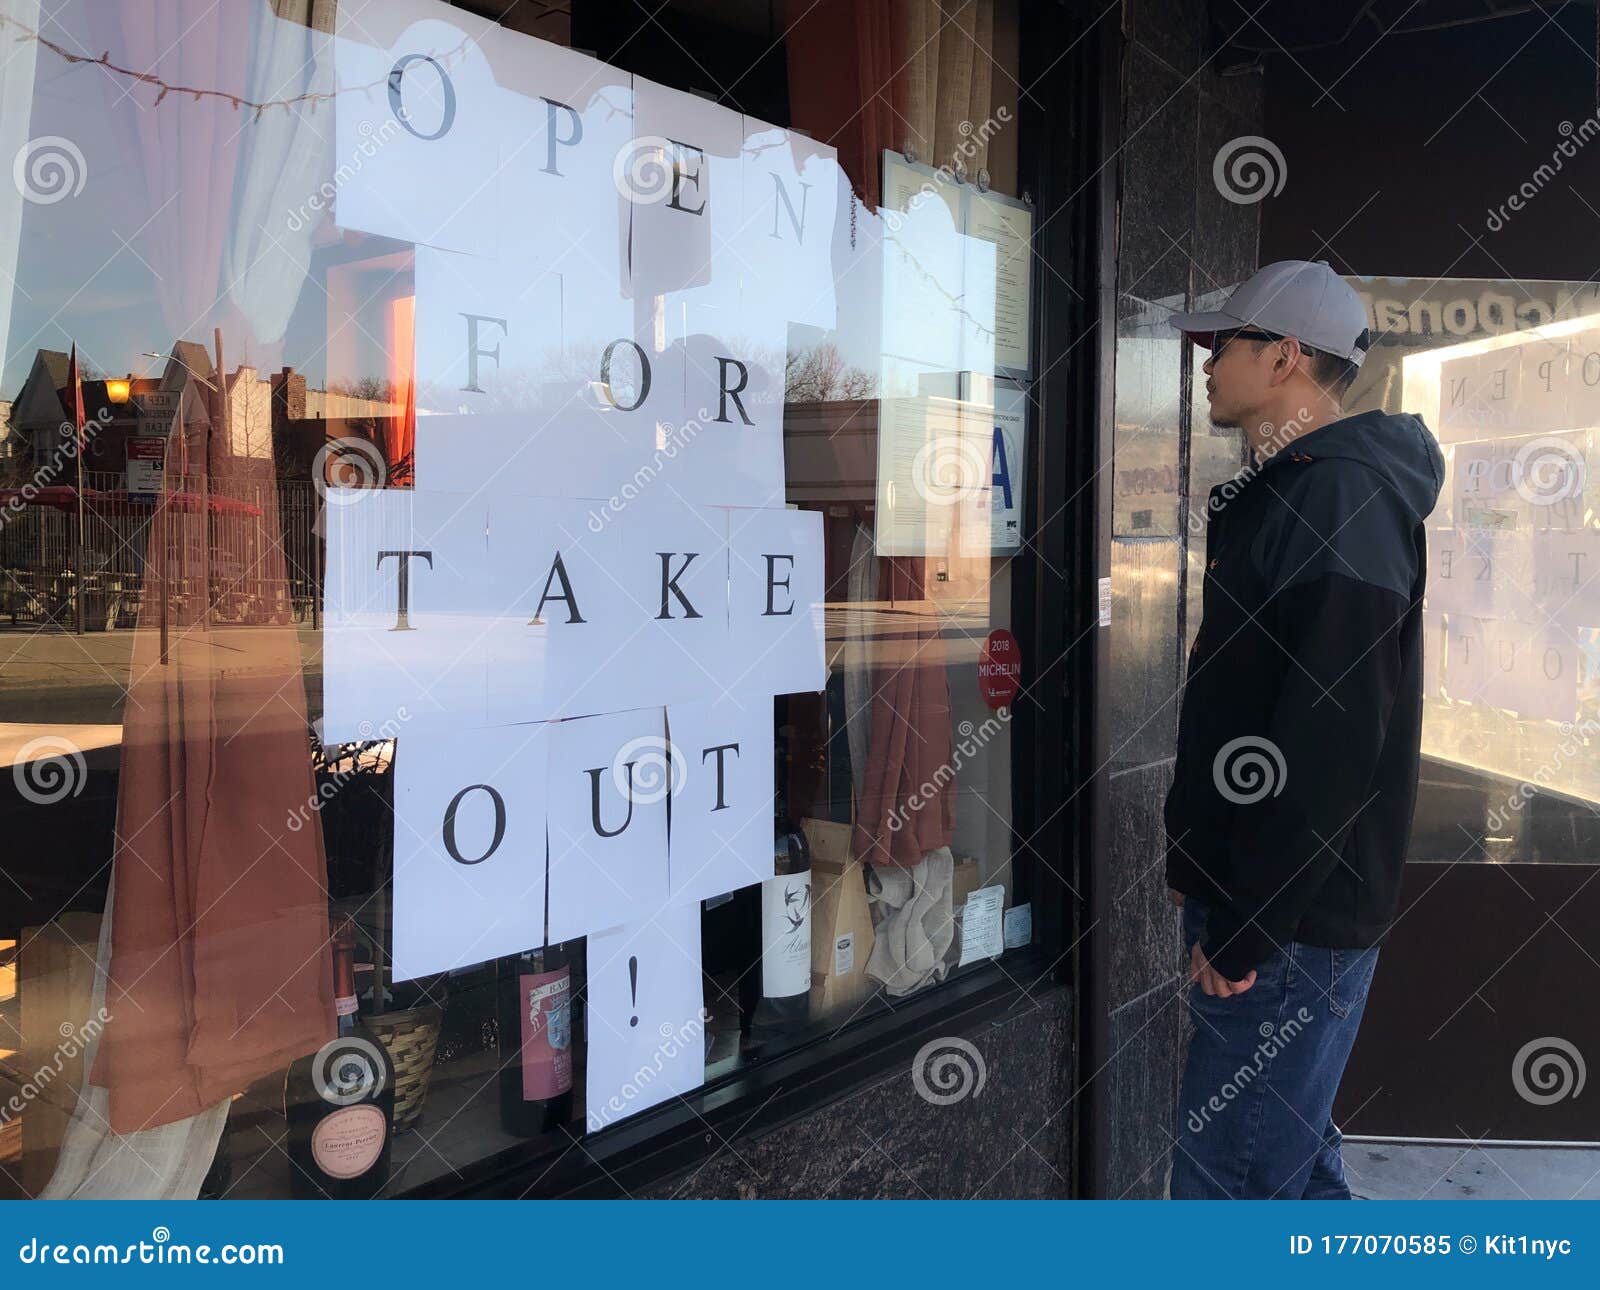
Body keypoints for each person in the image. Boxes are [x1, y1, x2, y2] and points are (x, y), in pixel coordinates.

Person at [1162, 260, 1444, 1199]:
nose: (1206, 363)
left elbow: (1330, 742)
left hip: (1289, 928)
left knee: (1229, 1188)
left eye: (1222, 344)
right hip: (1280, 913)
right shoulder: (1304, 489)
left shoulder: (1339, 499)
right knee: (1288, 1168)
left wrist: (1248, 926)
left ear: (1284, 357)